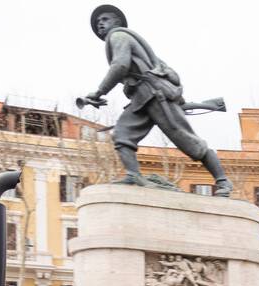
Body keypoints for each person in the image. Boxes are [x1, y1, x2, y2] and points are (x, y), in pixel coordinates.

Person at [82, 6, 234, 197]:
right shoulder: (127, 40)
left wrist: (99, 92)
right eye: (98, 23)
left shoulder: (118, 36)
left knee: (188, 141)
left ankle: (223, 181)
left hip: (155, 96)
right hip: (141, 98)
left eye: (104, 19)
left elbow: (120, 65)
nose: (100, 24)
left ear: (117, 22)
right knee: (122, 135)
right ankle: (133, 175)